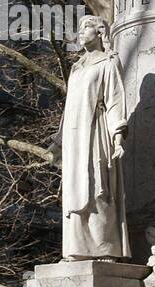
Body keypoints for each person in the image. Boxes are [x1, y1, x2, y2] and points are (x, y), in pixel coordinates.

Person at [49, 16, 130, 261]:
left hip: (97, 131)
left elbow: (115, 99)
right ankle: (76, 249)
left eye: (86, 27)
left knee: (98, 187)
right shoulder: (77, 67)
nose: (81, 32)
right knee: (75, 190)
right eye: (80, 28)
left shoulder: (108, 61)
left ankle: (105, 248)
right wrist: (59, 141)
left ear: (100, 31)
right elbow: (69, 108)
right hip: (74, 138)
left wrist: (117, 135)